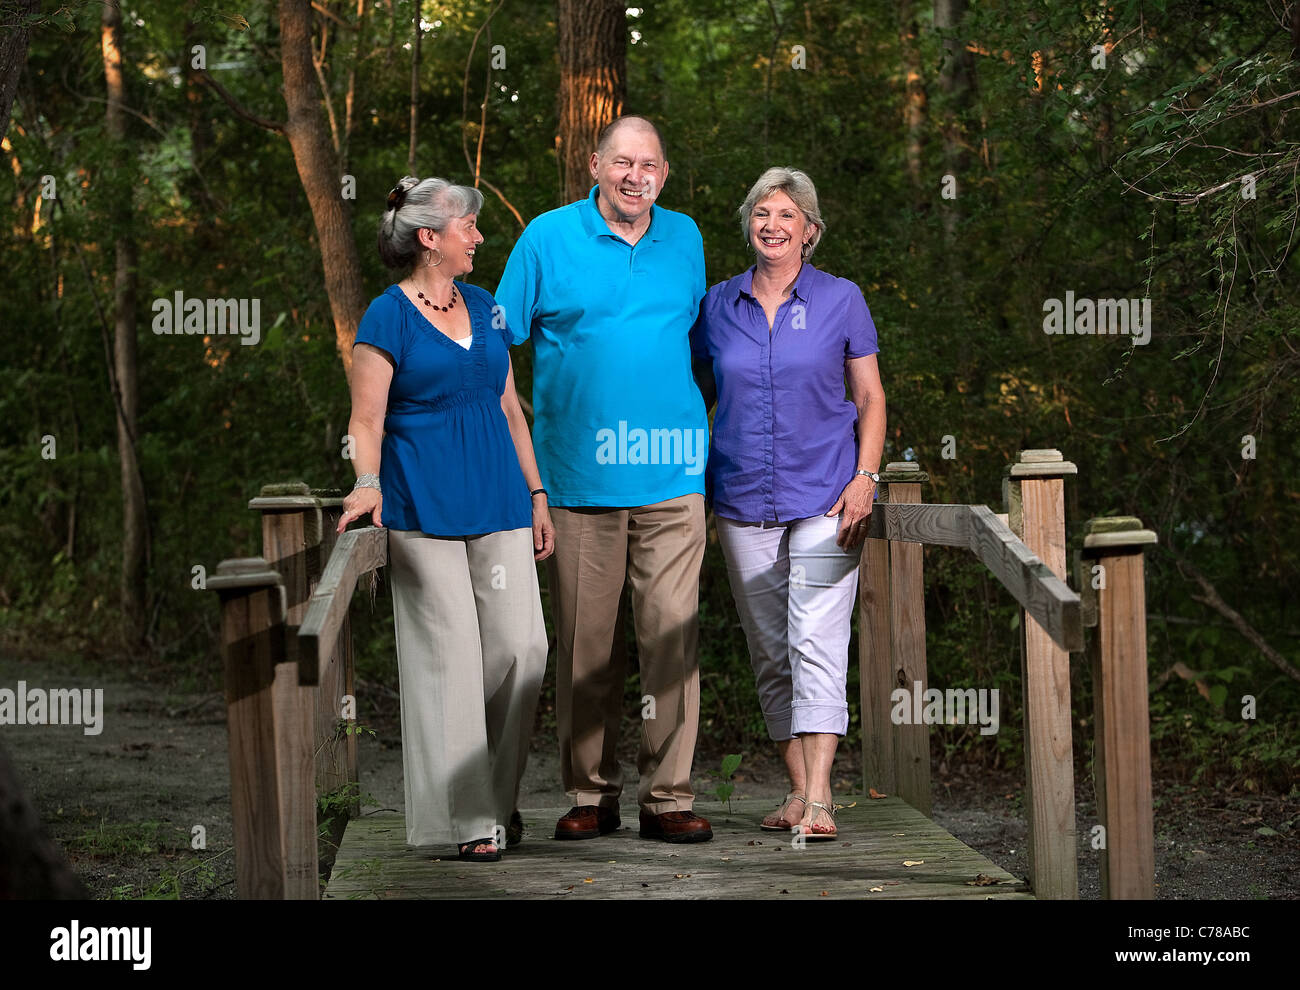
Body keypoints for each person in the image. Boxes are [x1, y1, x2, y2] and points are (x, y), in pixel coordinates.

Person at [495, 115, 713, 843]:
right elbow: (489, 347)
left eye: (649, 164)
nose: (634, 176)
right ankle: (590, 793)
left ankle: (669, 799)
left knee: (672, 642)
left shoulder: (685, 239)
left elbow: (700, 348)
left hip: (675, 476)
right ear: (595, 164)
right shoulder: (546, 239)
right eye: (622, 162)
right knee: (588, 647)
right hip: (577, 483)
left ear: (664, 173)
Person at [336, 175, 553, 862]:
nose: (480, 238)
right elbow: (366, 417)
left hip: (499, 499)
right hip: (420, 504)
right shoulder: (386, 316)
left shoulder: (488, 308)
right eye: (469, 227)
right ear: (430, 236)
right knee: (451, 658)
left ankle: (496, 796)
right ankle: (469, 821)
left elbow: (510, 409)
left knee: (524, 652)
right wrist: (365, 484)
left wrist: (538, 494)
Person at [690, 167, 886, 841]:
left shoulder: (841, 300)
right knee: (771, 651)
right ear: (748, 224)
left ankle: (824, 797)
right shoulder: (716, 305)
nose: (772, 224)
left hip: (829, 499)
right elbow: (689, 392)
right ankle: (799, 791)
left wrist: (867, 476)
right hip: (741, 498)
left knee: (818, 641)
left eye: (786, 214)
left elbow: (870, 399)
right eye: (761, 213)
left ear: (810, 230)